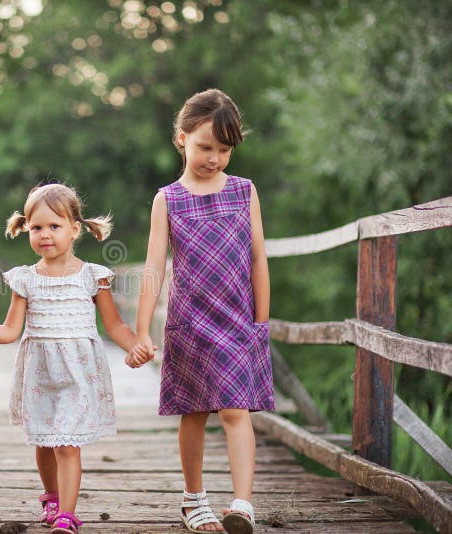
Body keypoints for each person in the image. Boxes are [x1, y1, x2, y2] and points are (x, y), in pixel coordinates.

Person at [127, 88, 275, 534]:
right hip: (189, 323)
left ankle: (242, 504)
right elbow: (154, 267)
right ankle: (193, 500)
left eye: (224, 150)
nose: (214, 158)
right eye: (205, 147)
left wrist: (261, 322)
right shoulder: (168, 199)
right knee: (193, 412)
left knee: (235, 411)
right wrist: (142, 330)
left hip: (237, 320)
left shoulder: (244, 191)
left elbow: (258, 258)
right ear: (182, 138)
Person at [0, 183, 137, 534]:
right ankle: (51, 496)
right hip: (40, 374)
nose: (45, 234)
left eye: (54, 226)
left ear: (75, 229)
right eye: (37, 227)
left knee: (66, 443)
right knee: (44, 442)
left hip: (79, 373)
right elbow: (11, 329)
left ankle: (67, 513)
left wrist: (135, 345)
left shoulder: (93, 276)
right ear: (26, 230)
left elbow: (114, 325)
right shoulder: (25, 279)